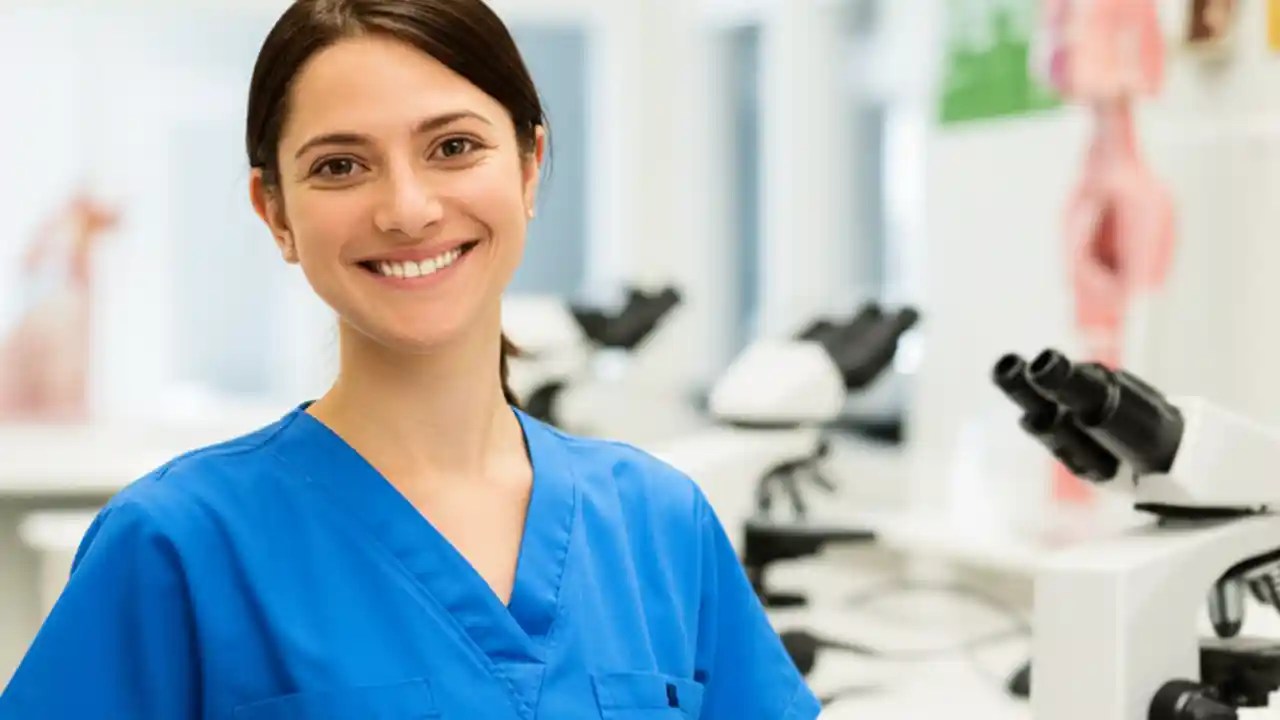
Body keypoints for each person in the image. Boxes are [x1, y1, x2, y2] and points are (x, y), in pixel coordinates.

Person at [0, 1, 820, 718]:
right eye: (340, 166)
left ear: (531, 166)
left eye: (455, 146)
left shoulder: (659, 525)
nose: (408, 208)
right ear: (274, 212)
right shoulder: (178, 546)